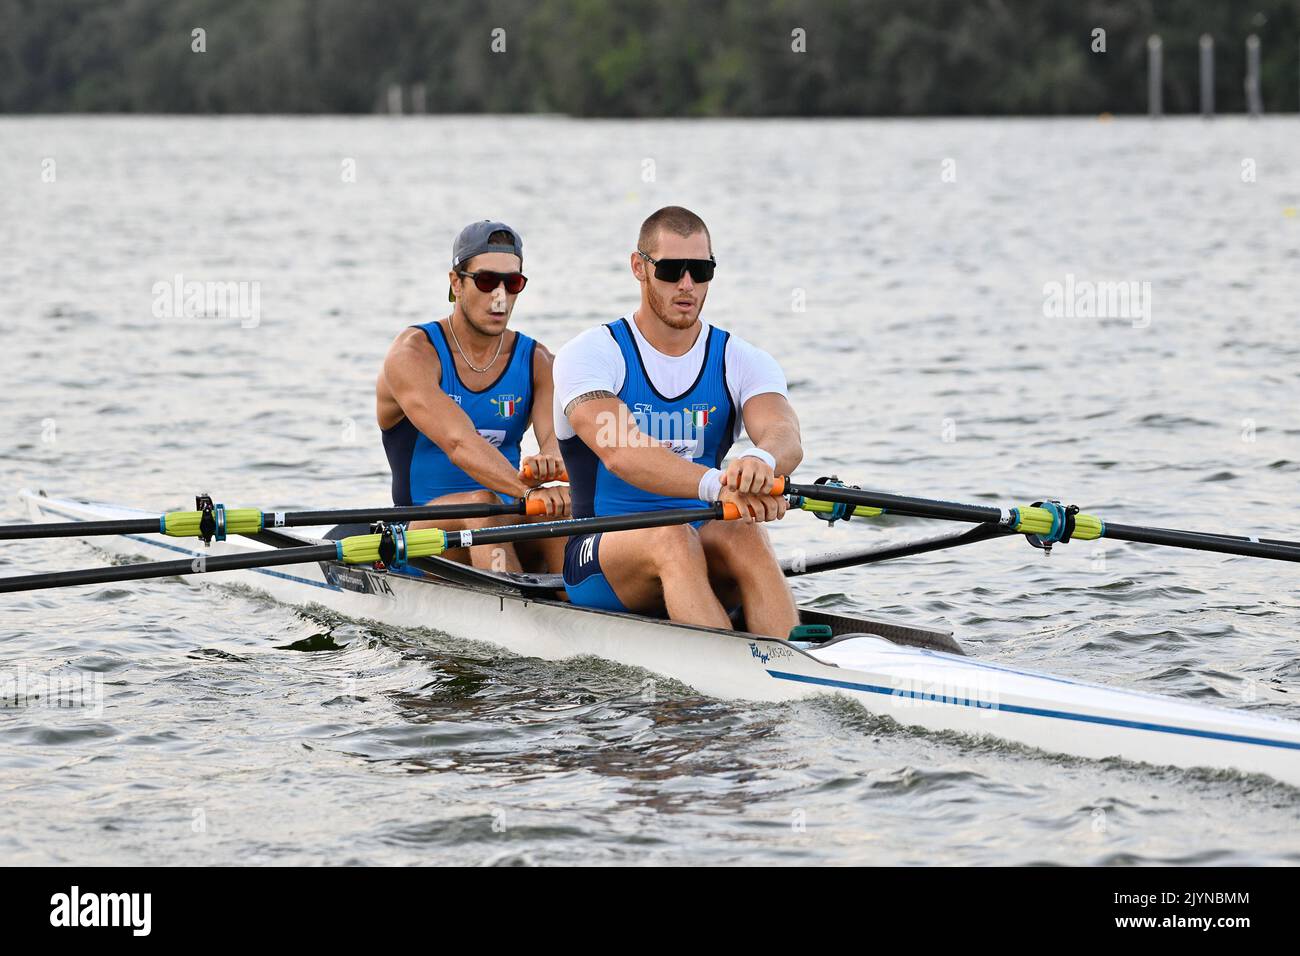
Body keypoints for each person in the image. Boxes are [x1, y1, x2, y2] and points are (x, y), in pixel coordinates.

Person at [553, 206, 803, 636]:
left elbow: (785, 434)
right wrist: (719, 485)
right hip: (600, 558)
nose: (687, 285)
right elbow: (620, 452)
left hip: (702, 540)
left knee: (746, 531)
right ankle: (734, 675)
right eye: (671, 270)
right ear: (639, 267)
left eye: (701, 270)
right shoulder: (592, 353)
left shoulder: (740, 358)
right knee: (672, 537)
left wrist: (760, 461)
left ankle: (791, 670)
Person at [377, 220, 569, 572]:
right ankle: (511, 617)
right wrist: (529, 491)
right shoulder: (414, 354)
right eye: (485, 281)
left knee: (562, 520)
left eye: (512, 283)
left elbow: (557, 440)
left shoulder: (538, 361)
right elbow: (459, 442)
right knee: (483, 506)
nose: (500, 296)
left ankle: (577, 606)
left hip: (509, 515)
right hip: (422, 535)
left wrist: (552, 463)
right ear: (456, 282)